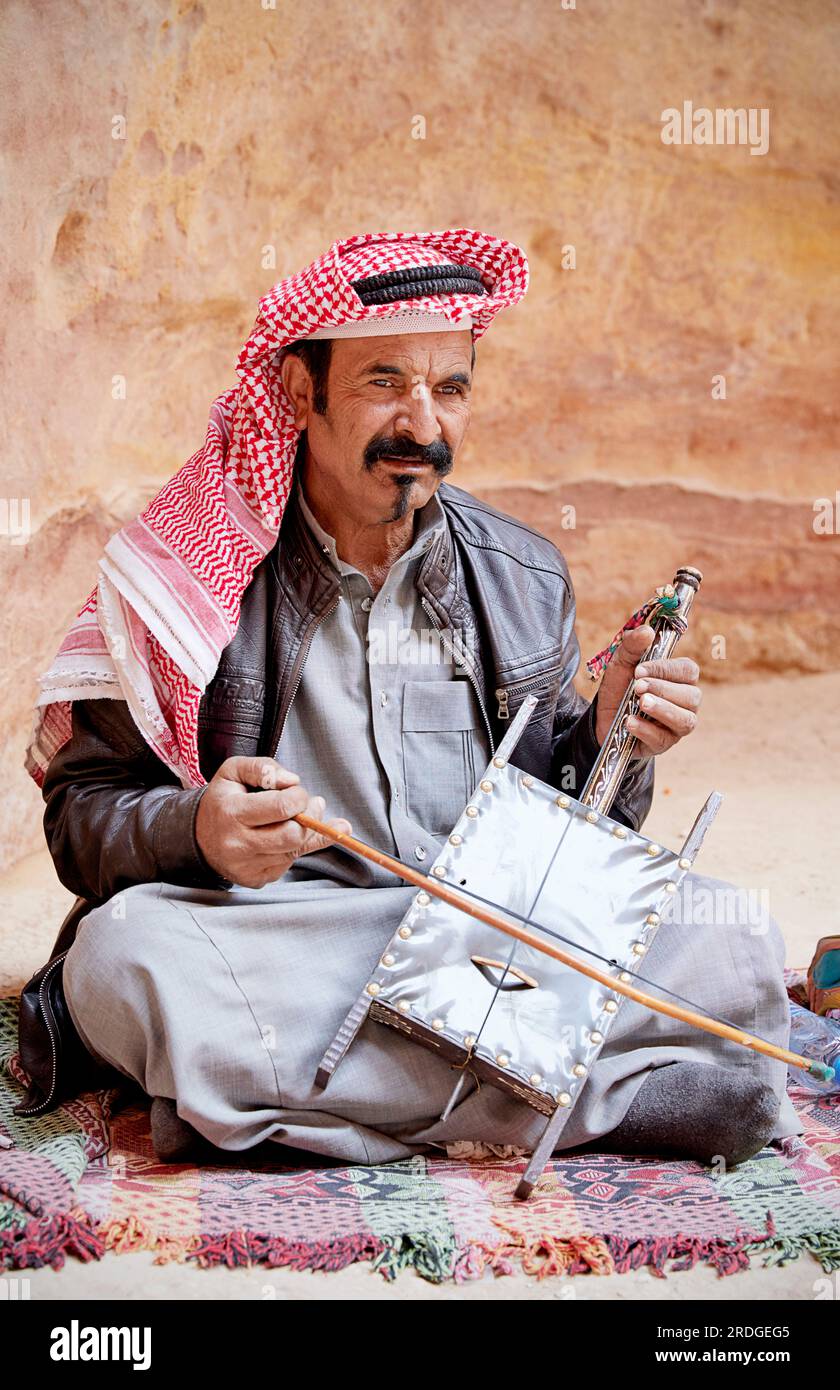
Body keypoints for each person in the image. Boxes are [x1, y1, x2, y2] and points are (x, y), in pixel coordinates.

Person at [18, 228, 799, 1167]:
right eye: (385, 382)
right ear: (301, 395)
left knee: (734, 936)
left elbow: (578, 841)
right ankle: (591, 1101)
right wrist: (199, 831)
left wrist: (613, 739)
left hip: (490, 943)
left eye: (451, 388)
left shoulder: (520, 575)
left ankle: (281, 1109)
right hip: (293, 940)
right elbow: (82, 816)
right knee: (122, 960)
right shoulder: (185, 581)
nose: (422, 424)